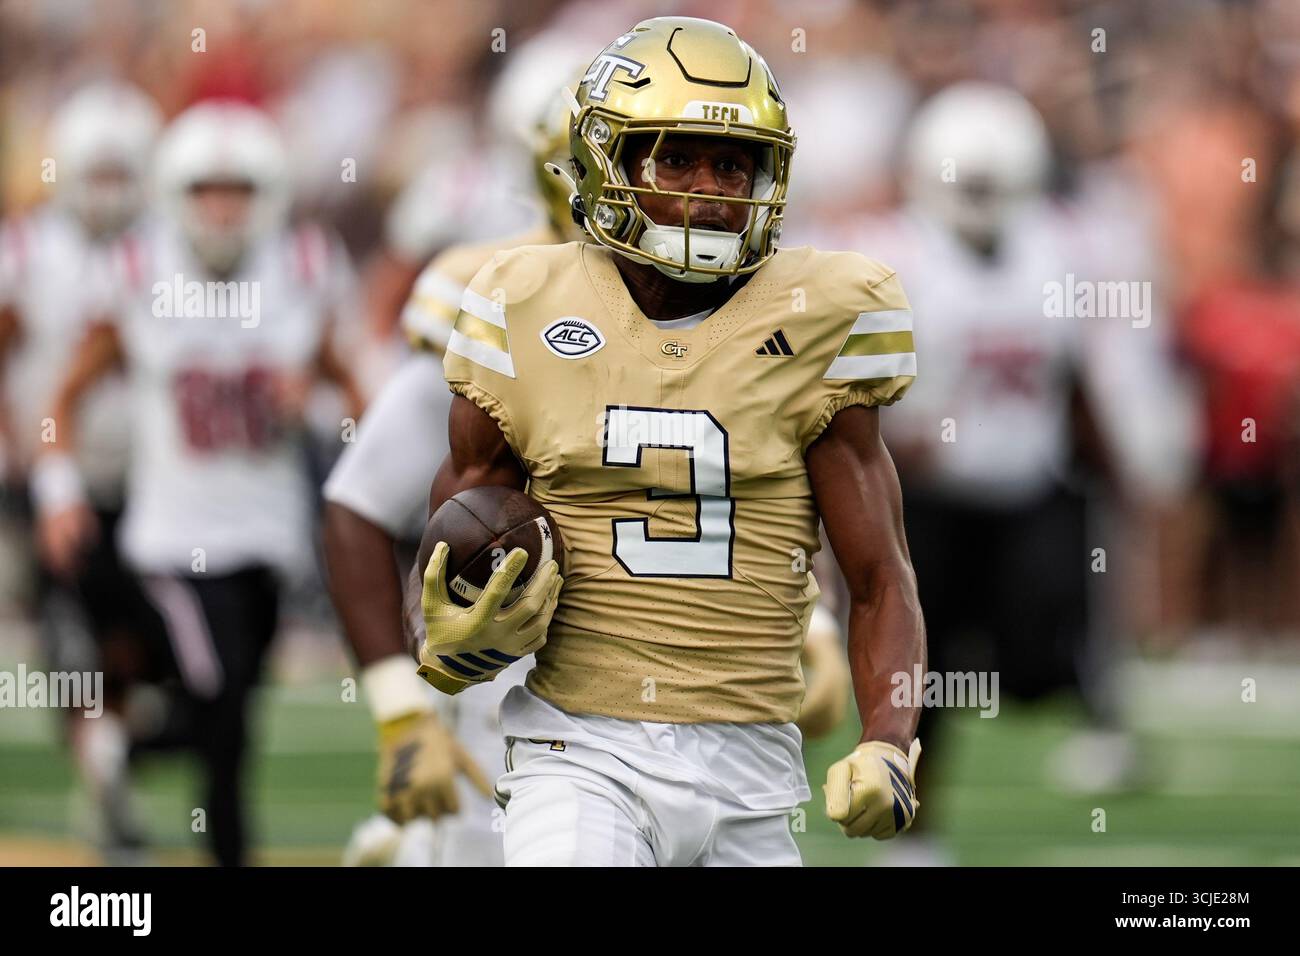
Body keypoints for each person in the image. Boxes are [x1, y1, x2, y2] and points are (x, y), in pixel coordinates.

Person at [417, 16, 925, 866]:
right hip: (577, 751)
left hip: (755, 767)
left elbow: (880, 575)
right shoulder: (521, 300)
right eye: (677, 157)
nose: (711, 187)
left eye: (733, 162)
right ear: (608, 162)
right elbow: (458, 529)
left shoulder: (824, 314)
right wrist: (442, 640)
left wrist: (888, 739)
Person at [35, 100, 362, 866]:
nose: (220, 208)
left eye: (237, 190)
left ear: (269, 193)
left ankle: (121, 748)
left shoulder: (304, 266)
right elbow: (63, 396)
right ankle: (176, 804)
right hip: (176, 539)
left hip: (271, 535)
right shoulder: (140, 268)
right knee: (221, 710)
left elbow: (354, 392)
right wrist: (59, 492)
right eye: (205, 190)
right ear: (175, 194)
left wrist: (313, 405)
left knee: (235, 717)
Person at [0, 81, 161, 860]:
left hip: (153, 479)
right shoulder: (27, 248)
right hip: (53, 474)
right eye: (95, 173)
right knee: (71, 643)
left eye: (120, 172)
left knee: (132, 646)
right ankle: (104, 781)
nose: (109, 192)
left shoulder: (168, 245)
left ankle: (111, 767)